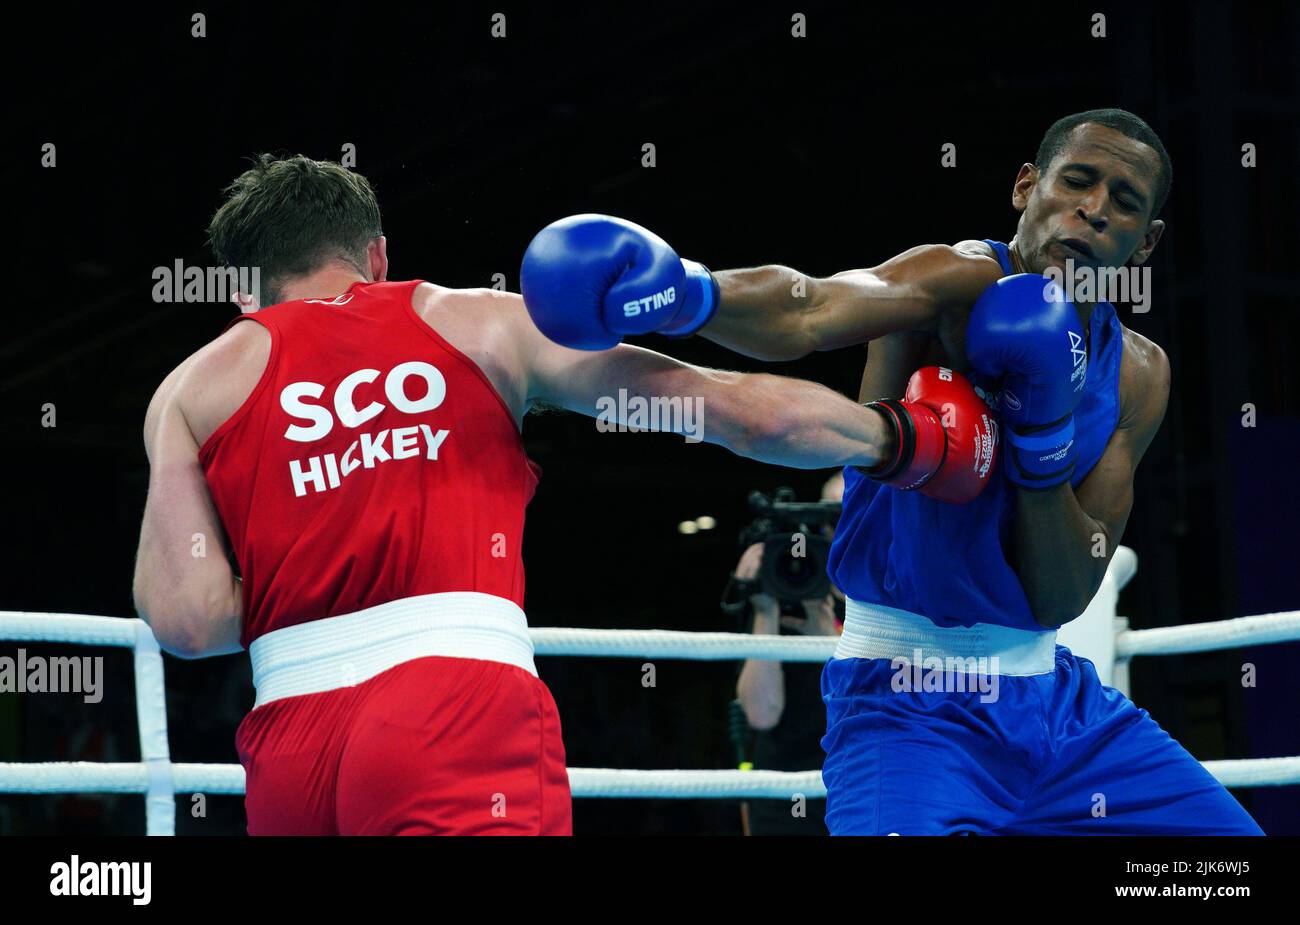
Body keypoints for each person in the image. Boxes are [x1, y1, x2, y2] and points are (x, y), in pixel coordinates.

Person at [521, 108, 1264, 834]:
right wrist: (691, 294)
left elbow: (1063, 593)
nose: (1094, 211)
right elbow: (812, 308)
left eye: (1124, 203)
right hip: (908, 710)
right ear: (1025, 188)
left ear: (1145, 243)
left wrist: (1042, 441)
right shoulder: (954, 282)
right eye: (1076, 181)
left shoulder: (1140, 373)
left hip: (1063, 714)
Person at [130, 154, 911, 835]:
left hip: (290, 748)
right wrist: (901, 439)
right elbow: (736, 412)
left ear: (242, 292)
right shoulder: (480, 323)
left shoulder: (190, 391)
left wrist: (311, 567)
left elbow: (191, 621)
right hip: (452, 711)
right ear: (376, 254)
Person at [735, 471, 843, 835]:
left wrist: (824, 630)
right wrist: (765, 611)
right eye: (833, 516)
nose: (840, 528)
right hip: (783, 796)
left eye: (849, 513)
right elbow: (762, 715)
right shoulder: (784, 589)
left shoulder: (900, 600)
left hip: (856, 786)